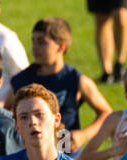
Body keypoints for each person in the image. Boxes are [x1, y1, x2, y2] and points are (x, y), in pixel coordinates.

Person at [8, 17, 112, 151]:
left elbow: (106, 113)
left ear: (61, 46)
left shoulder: (76, 80)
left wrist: (83, 135)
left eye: (42, 42)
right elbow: (5, 114)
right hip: (30, 152)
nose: (35, 48)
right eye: (33, 41)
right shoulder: (21, 80)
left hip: (65, 151)